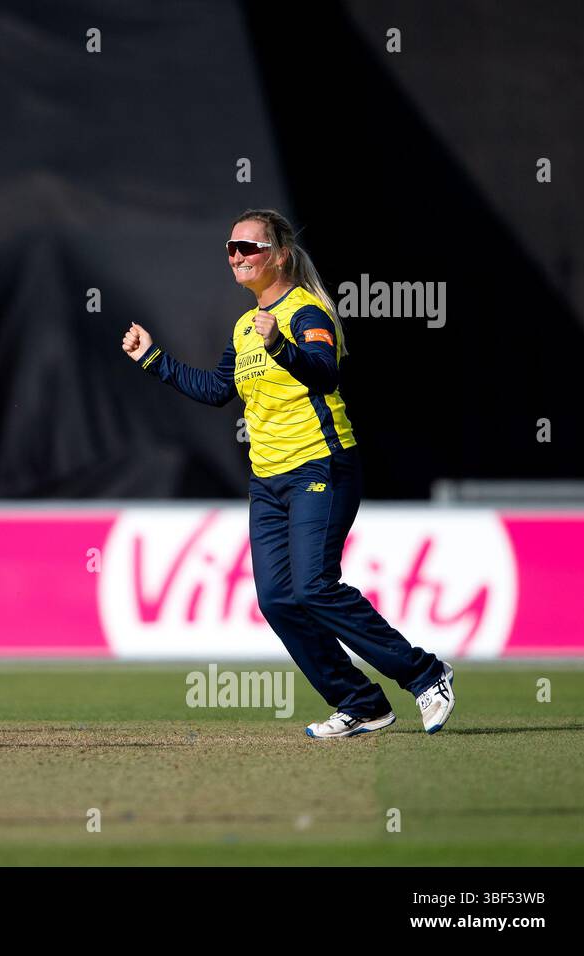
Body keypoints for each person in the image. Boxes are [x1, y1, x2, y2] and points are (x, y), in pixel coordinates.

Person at [121, 208, 455, 738]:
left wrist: (280, 344)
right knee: (278, 599)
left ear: (278, 255)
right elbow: (215, 391)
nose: (236, 256)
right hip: (269, 482)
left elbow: (324, 375)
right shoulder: (243, 327)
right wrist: (153, 358)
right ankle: (361, 702)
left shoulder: (304, 312)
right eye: (230, 248)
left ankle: (426, 674)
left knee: (316, 587)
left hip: (321, 465)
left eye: (247, 247)